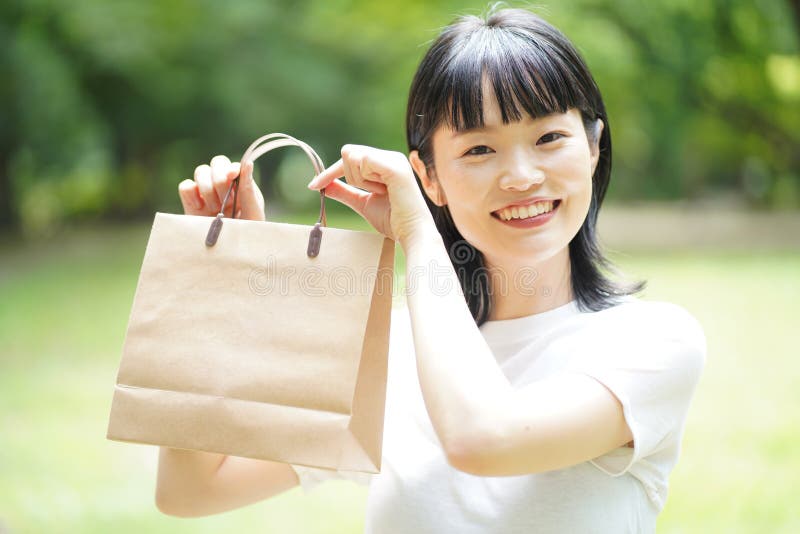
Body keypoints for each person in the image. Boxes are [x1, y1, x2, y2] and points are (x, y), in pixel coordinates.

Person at [162, 6, 706, 533]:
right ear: (429, 178)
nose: (520, 176)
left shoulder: (652, 341)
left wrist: (417, 234)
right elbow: (192, 490)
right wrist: (219, 277)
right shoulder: (390, 352)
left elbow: (483, 439)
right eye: (478, 149)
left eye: (548, 138)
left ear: (592, 146)